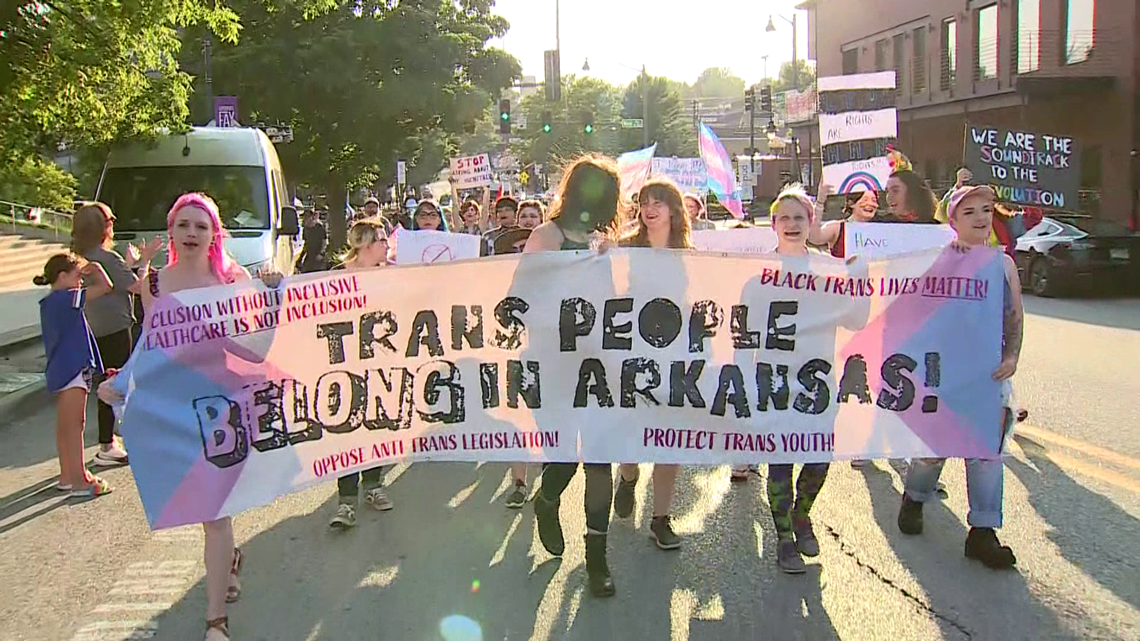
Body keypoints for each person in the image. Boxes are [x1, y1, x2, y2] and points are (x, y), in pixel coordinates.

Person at [100, 192, 279, 641]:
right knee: (205, 511)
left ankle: (215, 620)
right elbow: (151, 345)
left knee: (215, 512)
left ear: (215, 234)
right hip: (173, 409)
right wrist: (121, 384)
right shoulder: (154, 284)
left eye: (202, 226)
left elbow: (254, 350)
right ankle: (229, 561)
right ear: (172, 232)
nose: (192, 233)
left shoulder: (232, 280)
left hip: (222, 407)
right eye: (184, 225)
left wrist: (271, 301)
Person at [898, 185, 1021, 570]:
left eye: (986, 209)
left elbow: (1013, 315)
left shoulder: (1003, 265)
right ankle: (914, 497)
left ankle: (983, 531)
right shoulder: (937, 261)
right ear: (953, 221)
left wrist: (1012, 356)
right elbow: (909, 309)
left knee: (986, 452)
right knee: (934, 448)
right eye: (970, 212)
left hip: (987, 376)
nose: (981, 218)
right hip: (942, 373)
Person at [525, 154, 624, 597]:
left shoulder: (606, 241)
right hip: (554, 363)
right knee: (564, 456)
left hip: (599, 365)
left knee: (599, 458)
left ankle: (597, 559)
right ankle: (547, 501)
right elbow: (520, 295)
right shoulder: (547, 236)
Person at [611, 179, 691, 551]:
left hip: (675, 354)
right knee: (629, 431)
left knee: (669, 438)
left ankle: (660, 518)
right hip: (631, 349)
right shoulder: (626, 248)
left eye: (658, 202)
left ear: (674, 210)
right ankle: (628, 476)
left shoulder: (690, 254)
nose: (650, 208)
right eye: (645, 202)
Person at [763, 185, 835, 574]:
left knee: (819, 458)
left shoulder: (830, 271)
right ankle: (784, 538)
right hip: (774, 380)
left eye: (799, 217)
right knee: (780, 462)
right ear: (773, 225)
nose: (792, 224)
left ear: (810, 223)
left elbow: (856, 319)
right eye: (784, 218)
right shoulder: (756, 272)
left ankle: (802, 514)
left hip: (818, 381)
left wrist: (860, 278)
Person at [69, 202, 162, 467]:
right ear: (102, 227)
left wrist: (130, 263)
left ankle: (109, 441)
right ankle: (107, 445)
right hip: (114, 328)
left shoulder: (82, 256)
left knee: (104, 382)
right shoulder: (108, 257)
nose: (113, 224)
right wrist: (146, 260)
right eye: (110, 220)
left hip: (93, 328)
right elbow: (138, 287)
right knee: (116, 382)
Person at [327, 220, 395, 528]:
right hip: (343, 368)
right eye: (382, 240)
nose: (387, 245)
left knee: (376, 425)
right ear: (366, 244)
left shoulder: (391, 276)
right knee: (347, 431)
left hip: (379, 365)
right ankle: (346, 502)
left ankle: (373, 486)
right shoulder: (334, 278)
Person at [36, 252, 114, 498]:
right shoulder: (65, 298)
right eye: (77, 276)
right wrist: (97, 269)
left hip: (62, 366)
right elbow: (106, 287)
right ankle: (79, 480)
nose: (80, 281)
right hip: (72, 367)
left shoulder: (53, 301)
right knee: (75, 425)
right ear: (62, 276)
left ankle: (68, 476)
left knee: (66, 426)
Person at [295, 209, 330, 273]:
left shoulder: (319, 227)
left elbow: (324, 242)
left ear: (312, 217)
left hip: (318, 256)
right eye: (304, 218)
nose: (305, 219)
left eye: (307, 217)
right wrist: (300, 258)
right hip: (309, 256)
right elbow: (306, 245)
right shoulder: (306, 229)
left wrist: (321, 254)